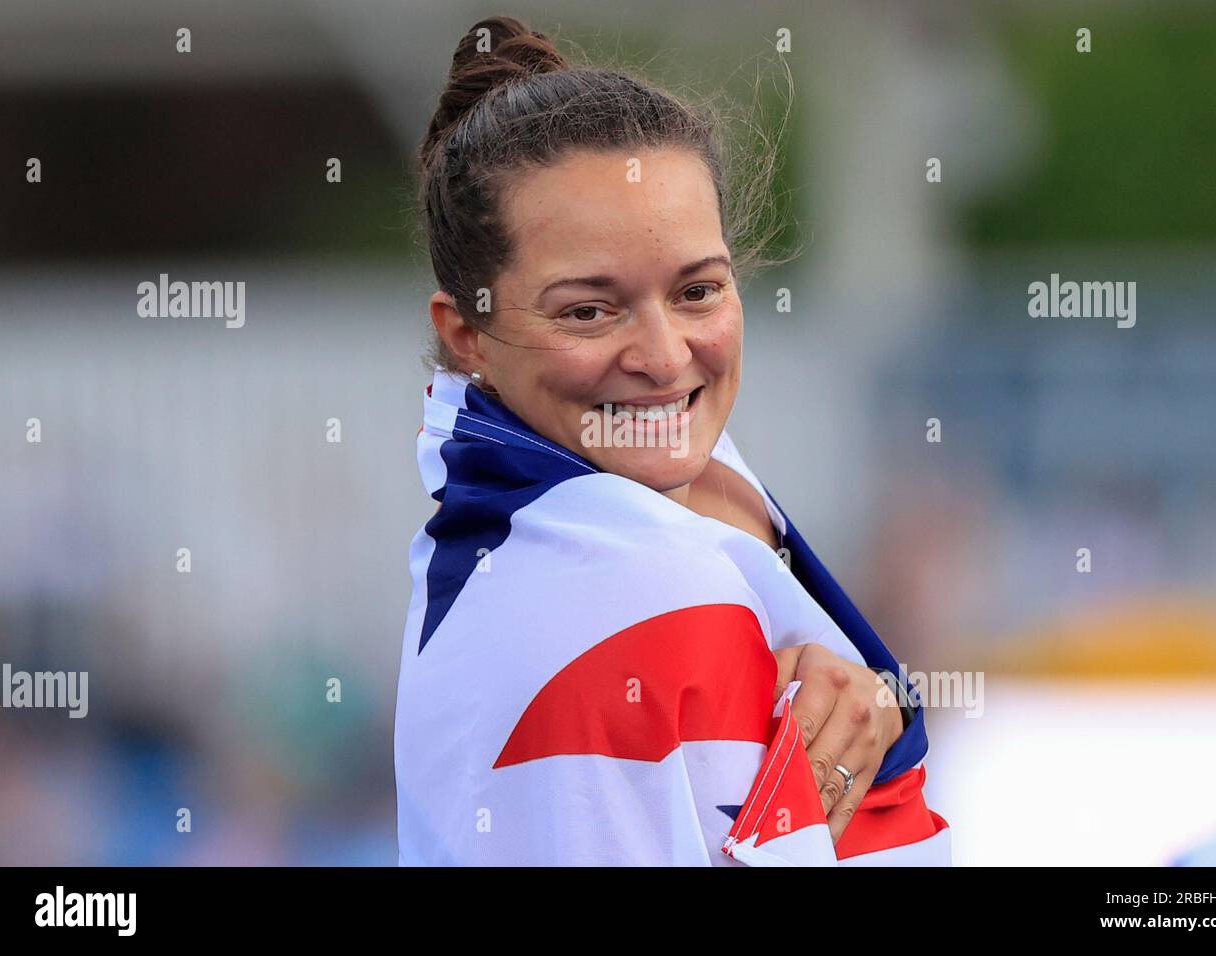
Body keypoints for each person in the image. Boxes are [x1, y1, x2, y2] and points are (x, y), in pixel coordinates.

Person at [395, 15, 949, 866]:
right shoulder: (626, 586)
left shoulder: (610, 494)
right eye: (588, 309)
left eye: (697, 292)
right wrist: (796, 814)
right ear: (467, 334)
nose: (662, 357)